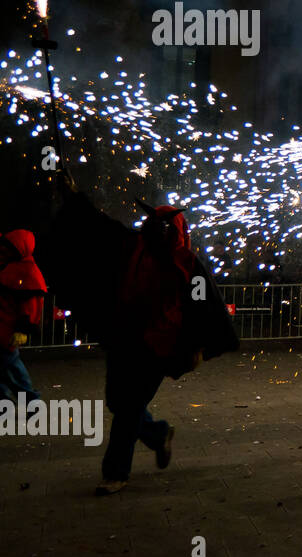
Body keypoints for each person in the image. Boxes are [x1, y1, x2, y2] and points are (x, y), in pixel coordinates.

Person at [45, 175, 238, 495]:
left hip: (159, 347)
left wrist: (199, 348)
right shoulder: (132, 246)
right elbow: (99, 225)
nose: (160, 230)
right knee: (119, 402)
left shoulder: (189, 266)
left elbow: (204, 309)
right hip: (125, 338)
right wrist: (75, 195)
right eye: (156, 223)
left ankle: (115, 473)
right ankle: (157, 433)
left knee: (129, 405)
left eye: (166, 225)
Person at [0, 229, 45, 406]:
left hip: (8, 330)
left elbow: (30, 306)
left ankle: (30, 401)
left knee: (11, 369)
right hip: (4, 328)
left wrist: (22, 329)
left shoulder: (27, 272)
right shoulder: (10, 267)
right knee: (8, 369)